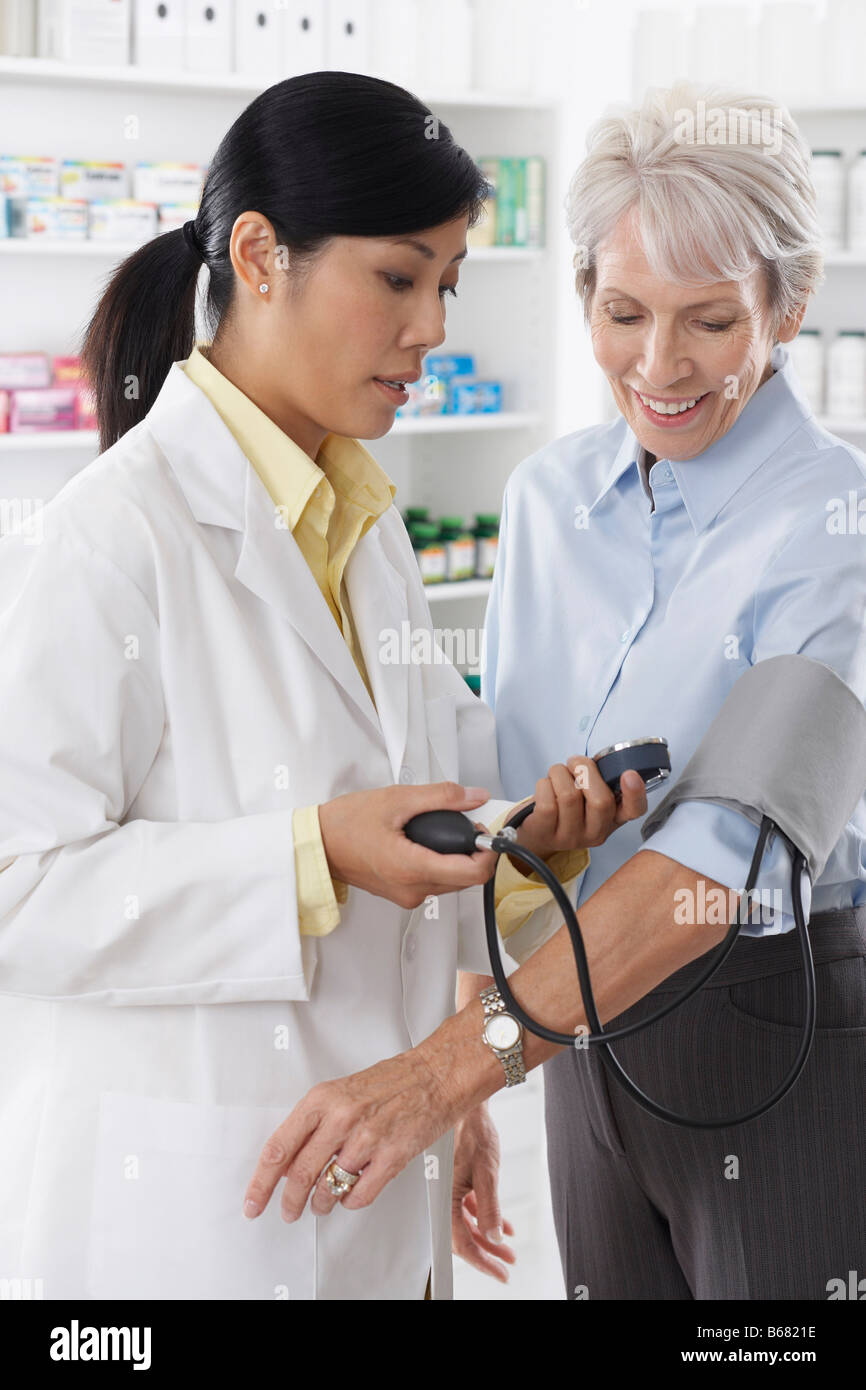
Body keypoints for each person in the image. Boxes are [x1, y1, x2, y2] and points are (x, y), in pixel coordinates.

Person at [0, 71, 649, 1302]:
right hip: (201, 1215)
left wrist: (526, 852)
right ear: (260, 254)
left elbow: (402, 839)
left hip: (372, 1189)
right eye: (398, 278)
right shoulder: (114, 539)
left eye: (448, 284)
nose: (433, 329)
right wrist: (312, 854)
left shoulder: (369, 525)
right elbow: (19, 890)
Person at [244, 82, 866, 1301]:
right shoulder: (544, 501)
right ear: (579, 292)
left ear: (786, 307)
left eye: (708, 321)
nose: (658, 365)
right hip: (566, 1035)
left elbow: (713, 860)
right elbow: (505, 814)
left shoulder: (834, 525)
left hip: (775, 1029)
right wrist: (486, 1062)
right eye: (622, 311)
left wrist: (441, 1074)